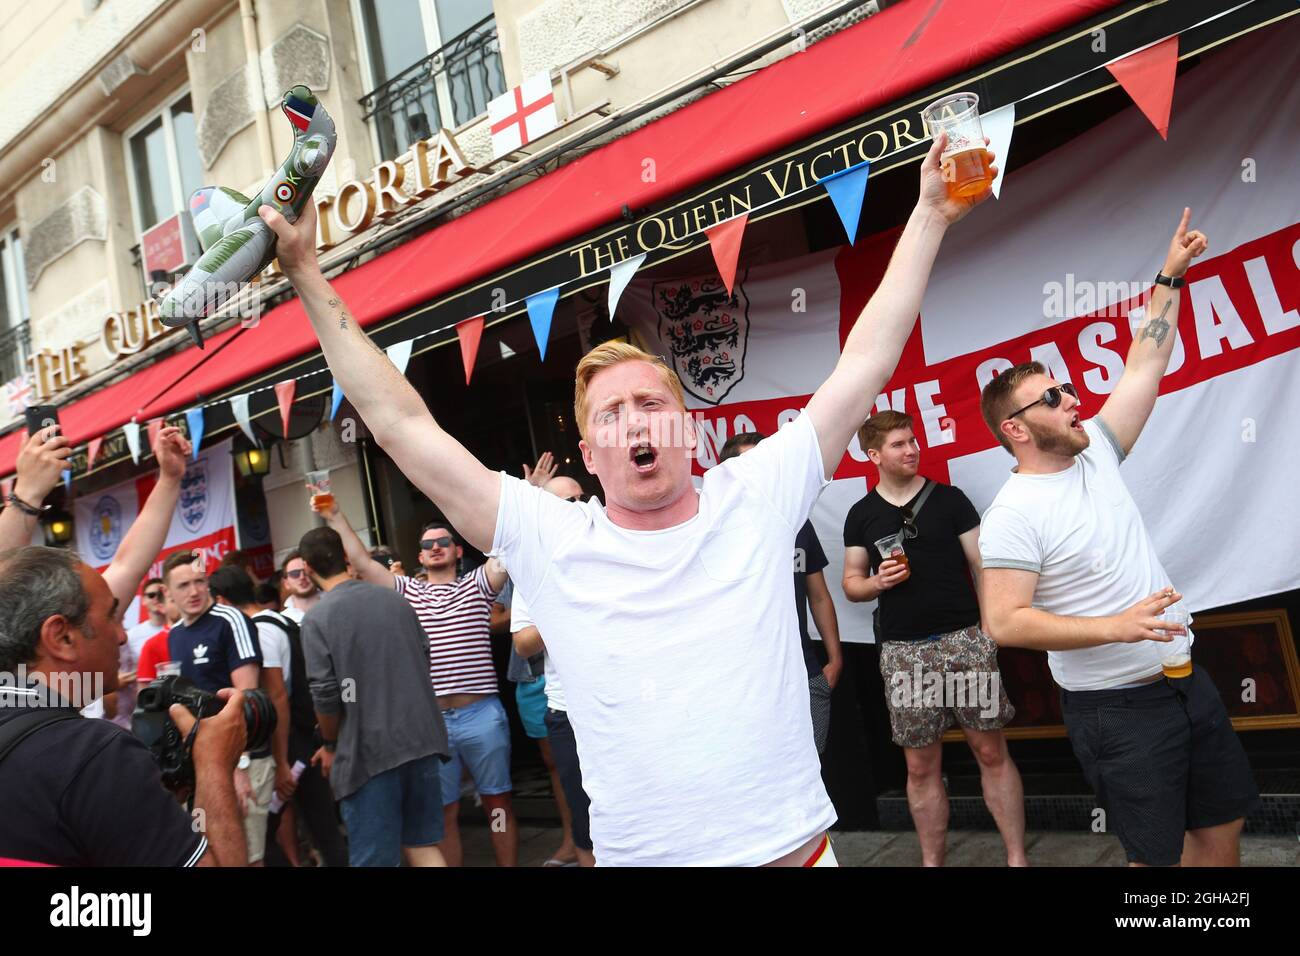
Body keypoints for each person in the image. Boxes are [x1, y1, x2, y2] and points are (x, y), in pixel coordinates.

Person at [260, 130, 994, 865]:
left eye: (650, 402)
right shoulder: (551, 534)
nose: (635, 419)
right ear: (588, 455)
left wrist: (927, 214)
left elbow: (864, 366)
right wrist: (306, 273)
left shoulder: (757, 494)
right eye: (610, 414)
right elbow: (398, 422)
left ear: (686, 429)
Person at [979, 210, 1258, 867]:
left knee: (1222, 830)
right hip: (1117, 714)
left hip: (1186, 684)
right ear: (1015, 429)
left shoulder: (1096, 452)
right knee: (1152, 857)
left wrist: (1171, 274)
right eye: (1053, 398)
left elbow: (1145, 359)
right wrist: (1116, 626)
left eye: (1068, 389)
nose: (1072, 400)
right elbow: (1003, 621)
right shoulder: (1013, 512)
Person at [841, 410, 1025, 866]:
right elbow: (850, 584)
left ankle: (1018, 858)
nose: (912, 449)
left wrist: (988, 629)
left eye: (913, 440)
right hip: (904, 652)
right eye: (900, 444)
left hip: (964, 639)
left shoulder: (950, 499)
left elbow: (984, 566)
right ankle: (931, 862)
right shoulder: (861, 515)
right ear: (874, 455)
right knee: (921, 766)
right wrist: (878, 582)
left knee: (989, 749)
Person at [0, 547, 248, 866]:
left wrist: (147, 802)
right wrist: (213, 763)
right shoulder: (92, 754)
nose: (121, 636)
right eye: (111, 617)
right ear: (61, 637)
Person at [312, 496, 516, 867]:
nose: (434, 548)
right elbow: (359, 562)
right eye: (426, 545)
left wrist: (522, 503)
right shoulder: (407, 592)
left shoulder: (477, 585)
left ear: (457, 550)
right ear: (419, 557)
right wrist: (336, 515)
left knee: (497, 803)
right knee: (444, 814)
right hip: (433, 722)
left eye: (442, 542)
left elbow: (504, 551)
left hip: (480, 713)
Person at [297, 527, 450, 867]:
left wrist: (331, 743)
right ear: (347, 559)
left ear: (307, 568)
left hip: (368, 751)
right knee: (422, 845)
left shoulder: (317, 619)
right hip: (422, 739)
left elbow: (326, 694)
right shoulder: (394, 600)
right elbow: (424, 656)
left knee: (375, 859)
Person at [718, 432, 844, 755]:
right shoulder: (714, 532)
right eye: (751, 463)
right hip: (744, 684)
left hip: (806, 675)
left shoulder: (796, 522)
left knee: (813, 772)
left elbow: (818, 596)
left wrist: (834, 659)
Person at [510, 473, 597, 867]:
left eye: (581, 497)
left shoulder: (612, 546)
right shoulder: (533, 564)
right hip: (567, 709)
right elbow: (523, 642)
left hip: (623, 700)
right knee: (584, 813)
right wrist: (562, 609)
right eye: (565, 501)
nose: (577, 506)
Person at [161, 549, 268, 864]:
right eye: (183, 585)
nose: (194, 591)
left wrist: (240, 767)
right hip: (201, 763)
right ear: (168, 592)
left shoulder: (229, 619)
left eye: (199, 581)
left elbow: (247, 698)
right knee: (211, 856)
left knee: (248, 857)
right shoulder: (175, 635)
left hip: (239, 757)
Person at [280, 551, 322, 624]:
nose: (302, 577)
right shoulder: (282, 621)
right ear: (286, 583)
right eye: (294, 574)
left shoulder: (334, 604)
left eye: (306, 572)